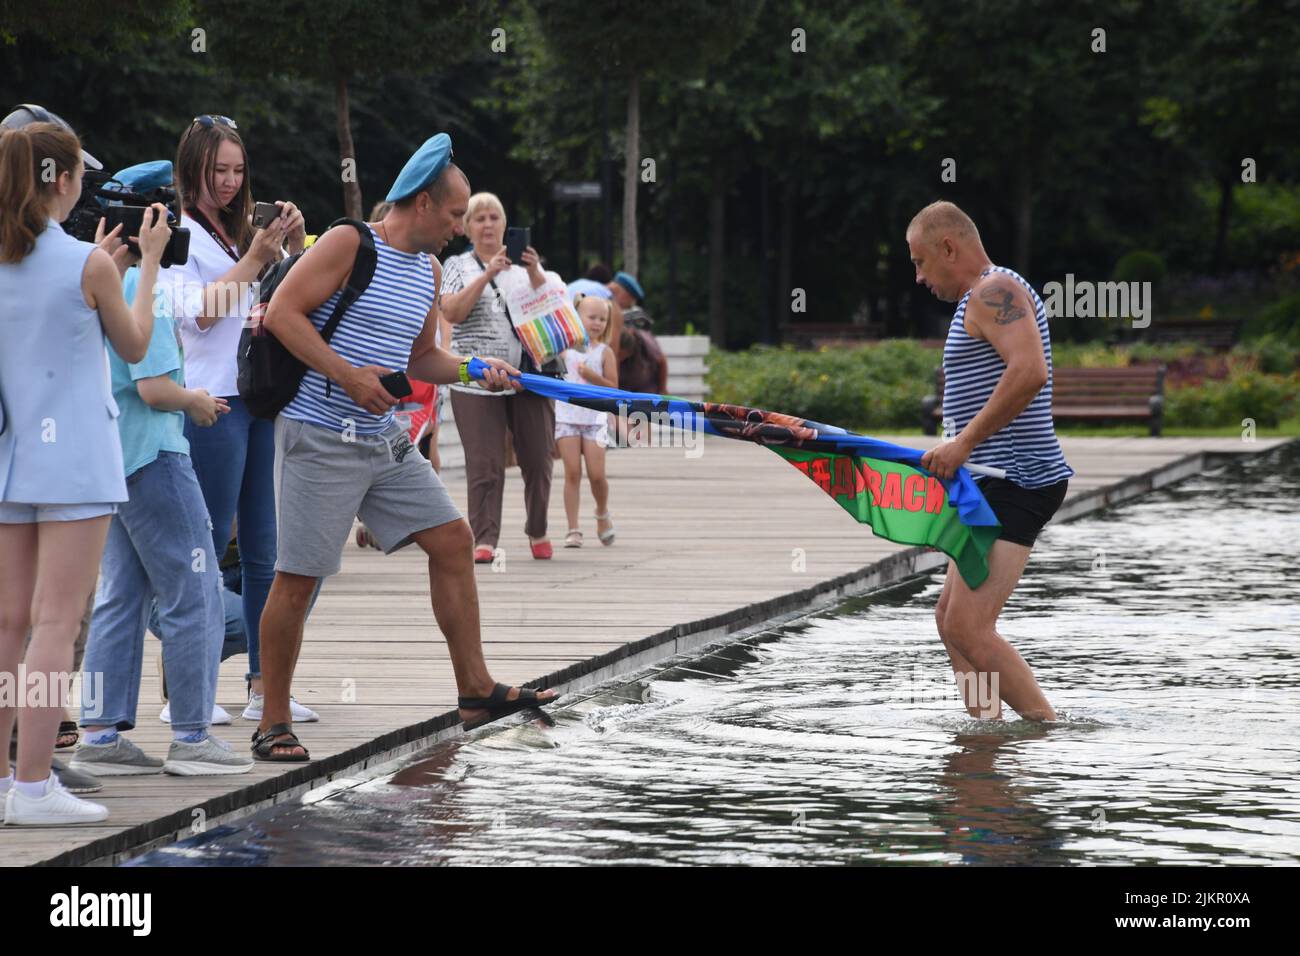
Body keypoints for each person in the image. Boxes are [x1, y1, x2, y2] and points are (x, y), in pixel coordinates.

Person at [252, 133, 558, 761]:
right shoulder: (348, 243)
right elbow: (283, 313)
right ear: (421, 204)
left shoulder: (429, 270)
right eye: (453, 215)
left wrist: (475, 369)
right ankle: (272, 721)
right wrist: (348, 376)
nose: (459, 228)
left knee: (451, 540)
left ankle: (475, 690)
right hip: (319, 435)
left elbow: (423, 358)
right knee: (298, 579)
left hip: (382, 438)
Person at [0, 121, 167, 824]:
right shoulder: (87, 264)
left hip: (10, 460)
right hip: (74, 463)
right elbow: (132, 343)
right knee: (56, 625)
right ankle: (33, 787)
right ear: (62, 181)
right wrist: (147, 263)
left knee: (9, 625)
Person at [72, 160, 252, 777]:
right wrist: (196, 401)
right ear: (151, 220)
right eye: (169, 219)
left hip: (113, 458)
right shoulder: (137, 284)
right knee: (196, 589)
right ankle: (193, 734)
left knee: (120, 597)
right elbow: (152, 387)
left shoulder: (96, 274)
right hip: (156, 453)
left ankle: (99, 736)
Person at [169, 114, 317, 723]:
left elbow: (284, 302)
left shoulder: (239, 236)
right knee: (203, 545)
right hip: (211, 403)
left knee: (265, 548)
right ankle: (183, 691)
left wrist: (293, 249)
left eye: (237, 171)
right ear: (191, 171)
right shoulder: (178, 234)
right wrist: (256, 258)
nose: (229, 183)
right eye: (217, 171)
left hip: (259, 398)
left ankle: (264, 687)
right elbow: (201, 316)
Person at [909, 200, 1074, 722]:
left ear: (948, 247)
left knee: (968, 626)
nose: (918, 277)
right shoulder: (982, 296)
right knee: (948, 619)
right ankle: (985, 737)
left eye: (920, 261)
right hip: (988, 483)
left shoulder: (993, 290)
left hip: (1018, 479)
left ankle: (1049, 730)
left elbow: (1030, 371)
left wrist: (962, 446)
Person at [440, 191, 560, 562]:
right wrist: (488, 274)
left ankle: (537, 528)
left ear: (505, 225)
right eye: (480, 218)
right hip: (476, 377)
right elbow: (453, 313)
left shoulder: (527, 267)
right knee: (485, 464)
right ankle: (484, 539)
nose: (488, 224)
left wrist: (536, 272)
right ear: (466, 228)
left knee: (538, 459)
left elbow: (554, 311)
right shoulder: (457, 266)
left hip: (530, 375)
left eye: (494, 217)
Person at [557, 294, 619, 548]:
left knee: (596, 474)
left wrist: (593, 376)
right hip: (566, 416)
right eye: (591, 317)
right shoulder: (564, 350)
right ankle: (573, 529)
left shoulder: (605, 352)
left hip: (594, 419)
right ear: (577, 316)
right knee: (571, 473)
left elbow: (613, 388)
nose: (597, 323)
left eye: (602, 319)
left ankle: (602, 512)